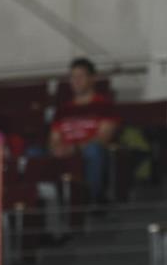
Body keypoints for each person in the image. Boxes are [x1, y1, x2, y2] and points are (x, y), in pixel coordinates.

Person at [49, 57, 122, 201]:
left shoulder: (105, 106)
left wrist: (75, 148)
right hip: (65, 153)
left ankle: (90, 200)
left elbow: (103, 138)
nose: (76, 81)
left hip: (89, 153)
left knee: (93, 150)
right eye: (73, 77)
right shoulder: (62, 110)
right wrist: (57, 148)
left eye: (81, 76)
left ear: (92, 78)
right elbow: (54, 138)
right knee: (34, 152)